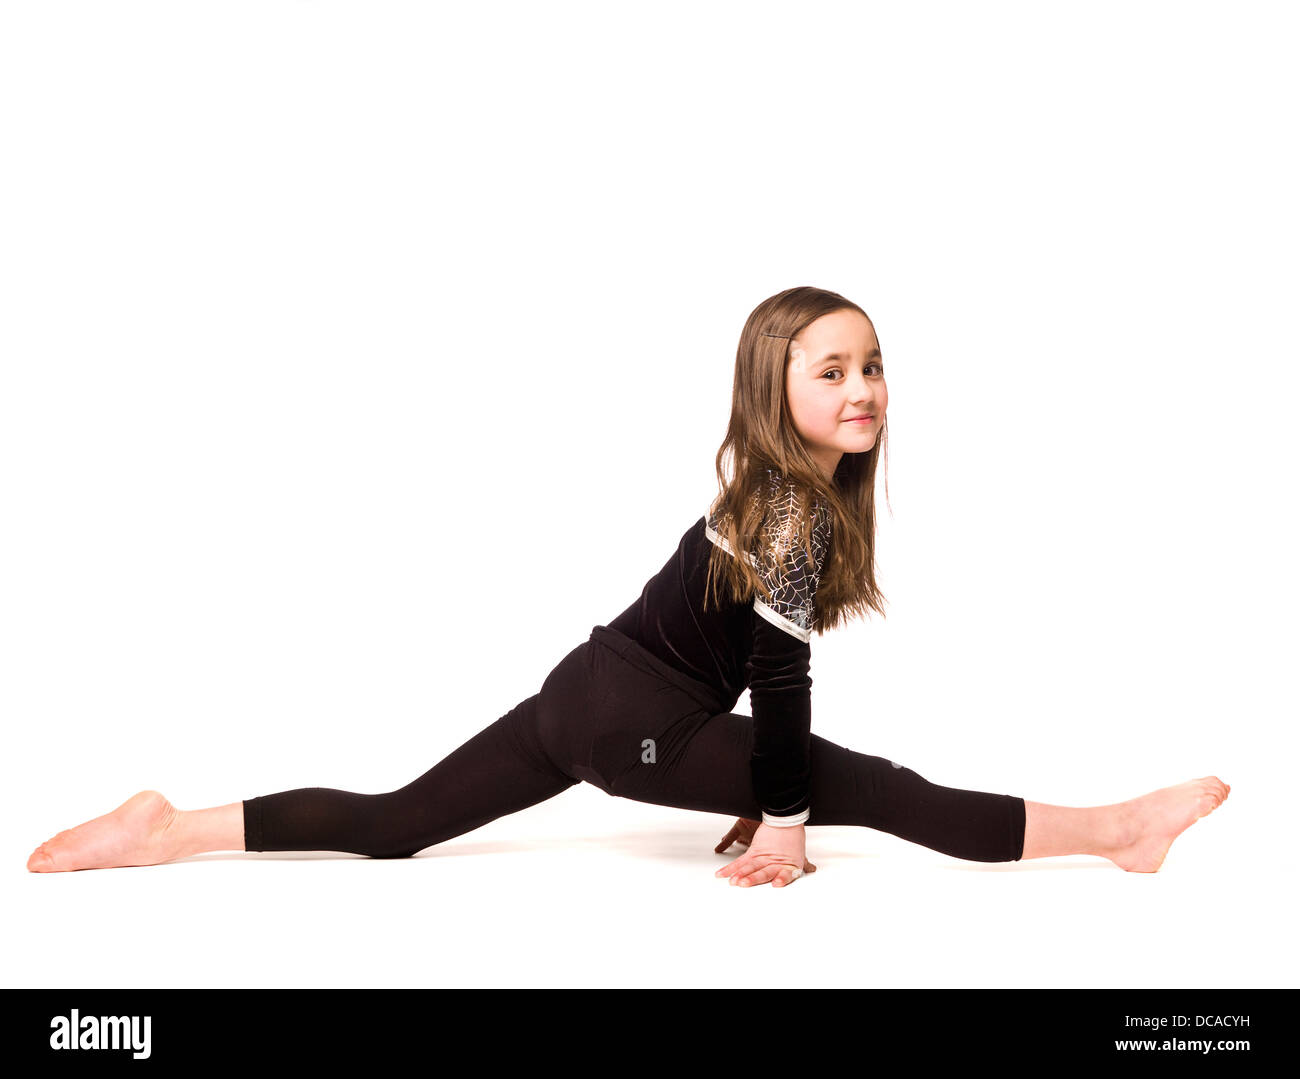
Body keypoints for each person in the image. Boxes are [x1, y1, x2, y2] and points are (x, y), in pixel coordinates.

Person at [26, 286, 1229, 887]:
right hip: (626, 716)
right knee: (874, 786)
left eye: (872, 365)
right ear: (776, 386)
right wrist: (788, 820)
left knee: (396, 824)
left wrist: (746, 787)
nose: (862, 387)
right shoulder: (792, 508)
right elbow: (781, 685)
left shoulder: (772, 483)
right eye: (831, 370)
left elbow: (732, 671)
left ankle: (168, 826)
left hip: (588, 685)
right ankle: (1116, 832)